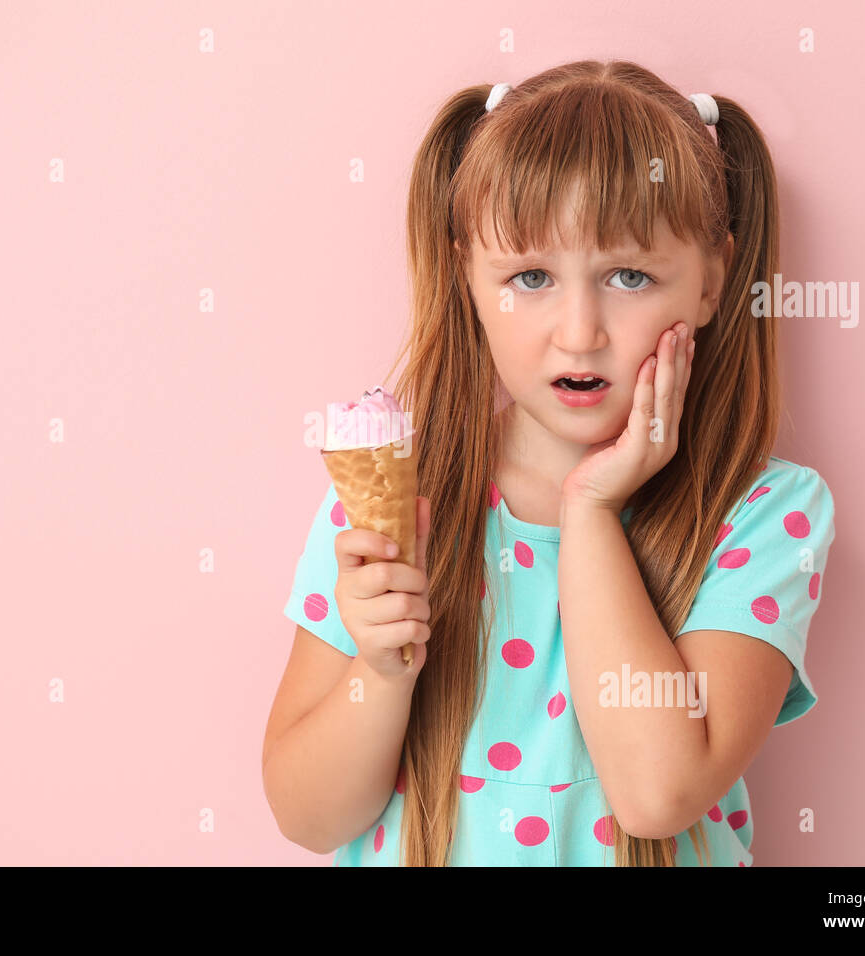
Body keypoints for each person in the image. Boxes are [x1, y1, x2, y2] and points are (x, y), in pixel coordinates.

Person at [265, 59, 836, 866]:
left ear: (711, 281)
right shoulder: (403, 503)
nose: (579, 331)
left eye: (628, 276)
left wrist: (593, 509)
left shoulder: (766, 513)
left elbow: (658, 792)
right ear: (467, 273)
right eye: (530, 276)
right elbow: (309, 818)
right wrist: (380, 672)